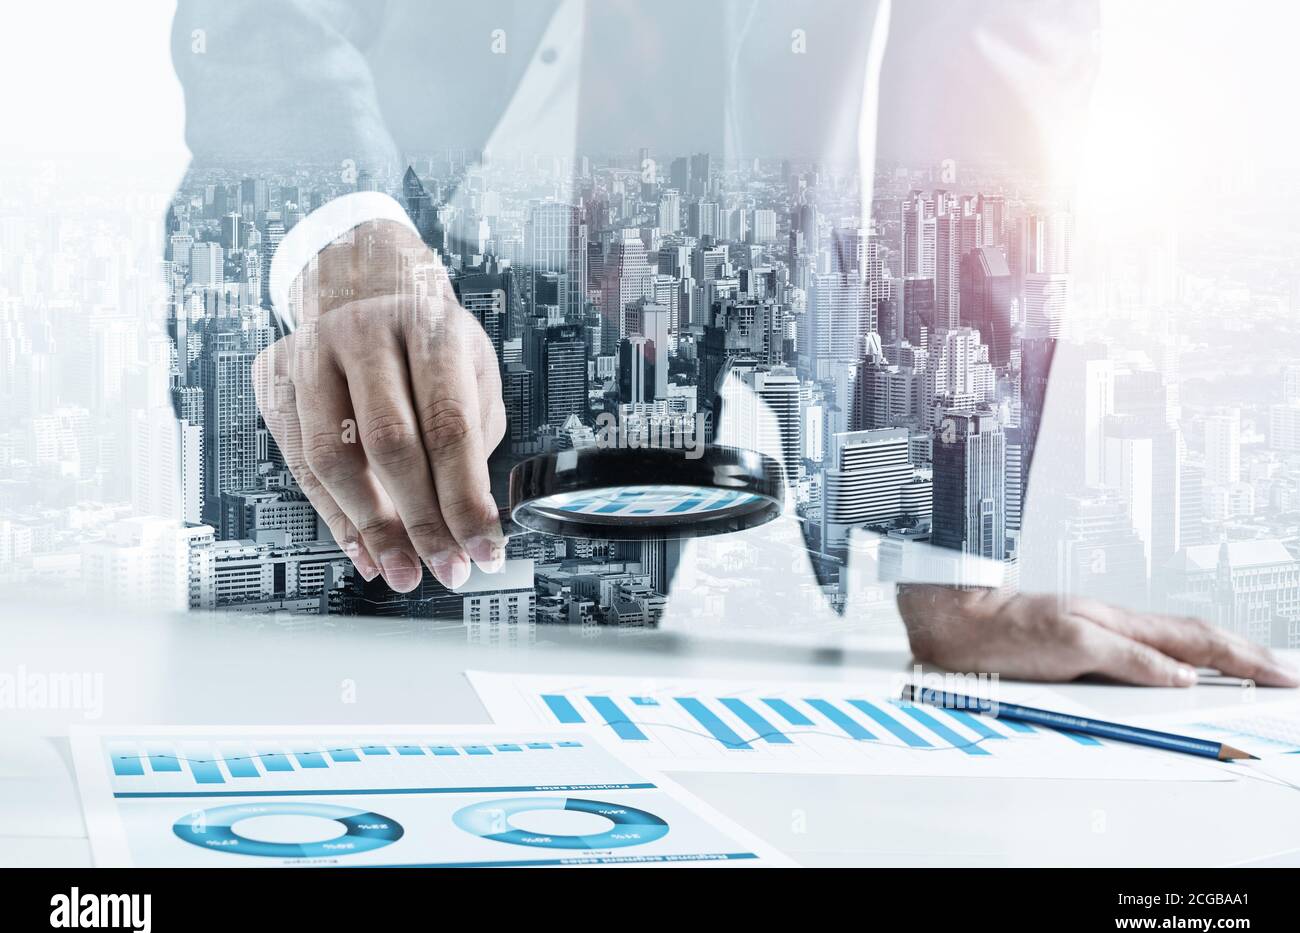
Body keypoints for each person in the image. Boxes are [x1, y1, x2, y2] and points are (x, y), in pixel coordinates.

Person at [170, 0, 1298, 687]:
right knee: (272, 756)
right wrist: (341, 231)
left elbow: (990, 76)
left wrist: (950, 566)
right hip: (333, 276)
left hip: (645, 336)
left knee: (548, 795)